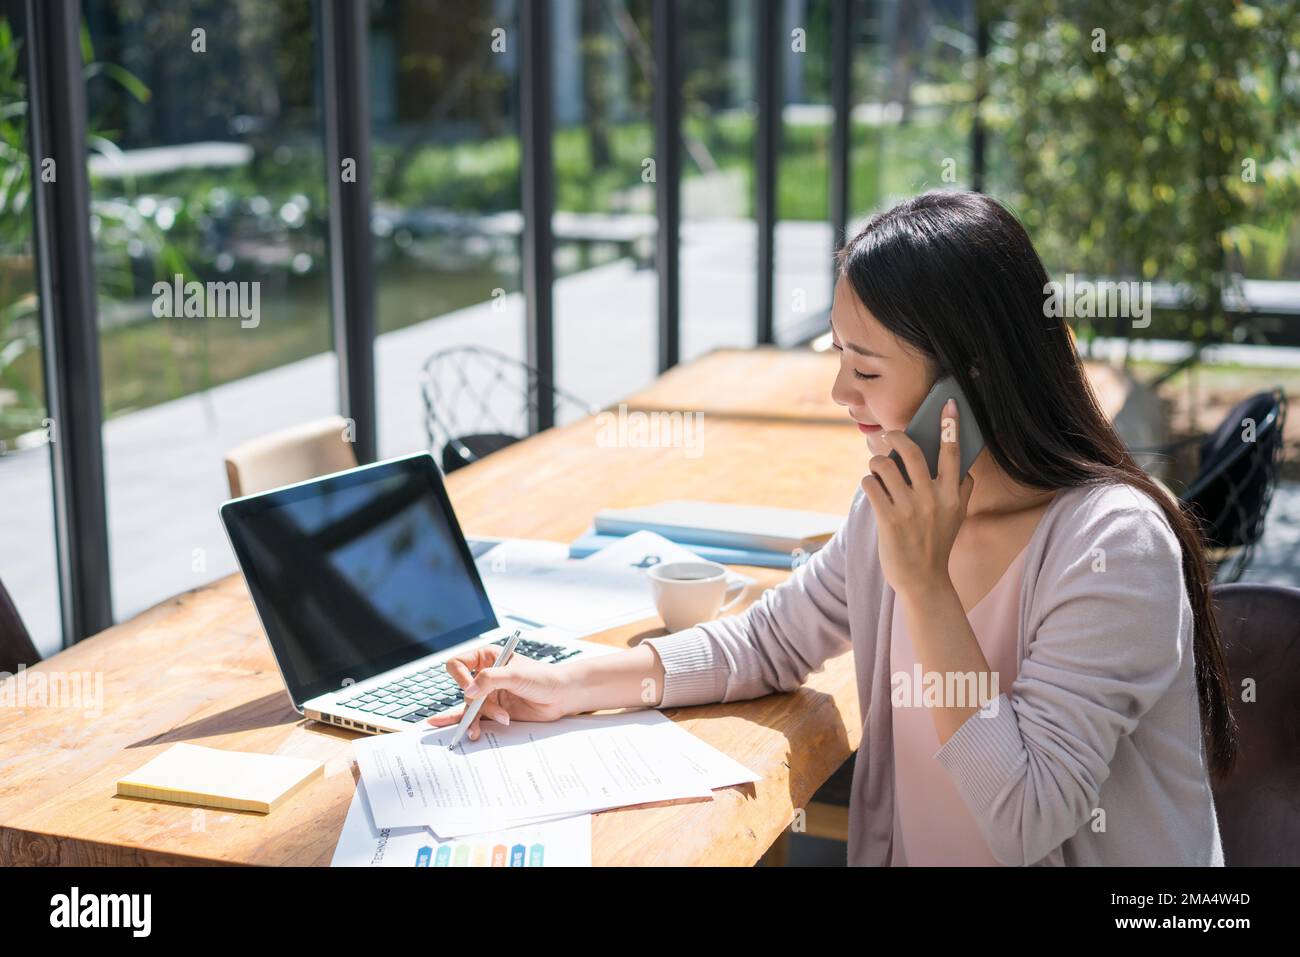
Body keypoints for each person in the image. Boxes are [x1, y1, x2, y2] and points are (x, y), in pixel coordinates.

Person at [428, 190, 1235, 866]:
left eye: (868, 367)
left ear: (968, 378)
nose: (838, 391)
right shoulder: (889, 506)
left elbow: (1023, 816)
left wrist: (923, 584)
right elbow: (767, 643)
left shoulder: (1112, 549)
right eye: (836, 353)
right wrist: (569, 683)